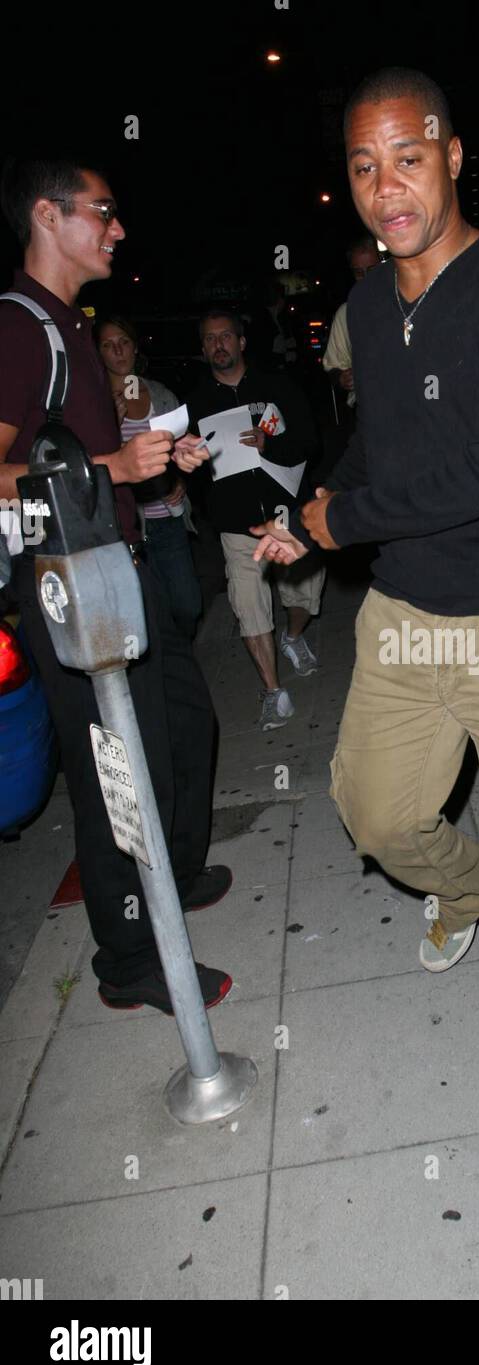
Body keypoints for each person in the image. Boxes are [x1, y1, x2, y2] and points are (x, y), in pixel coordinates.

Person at [249, 67, 479, 1110]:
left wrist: (341, 523)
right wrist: (316, 501)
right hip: (407, 615)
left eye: (408, 157)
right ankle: (465, 885)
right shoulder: (365, 298)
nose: (385, 185)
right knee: (374, 811)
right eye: (363, 165)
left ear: (451, 157)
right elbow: (379, 443)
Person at [0, 157, 232, 1014]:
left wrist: (152, 460)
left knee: (184, 725)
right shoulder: (19, 327)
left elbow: (77, 460)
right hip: (70, 594)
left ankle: (167, 875)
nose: (118, 228)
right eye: (104, 212)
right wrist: (112, 463)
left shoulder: (71, 324)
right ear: (49, 216)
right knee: (115, 779)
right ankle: (131, 958)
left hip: (118, 572)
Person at [184, 309, 322, 730]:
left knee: (305, 595)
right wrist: (186, 473)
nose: (219, 344)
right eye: (210, 339)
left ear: (241, 342)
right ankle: (273, 691)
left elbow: (310, 442)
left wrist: (271, 442)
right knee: (249, 605)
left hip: (287, 516)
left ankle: (293, 637)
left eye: (226, 336)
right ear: (203, 348)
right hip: (236, 523)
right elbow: (183, 464)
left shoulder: (276, 385)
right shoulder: (196, 402)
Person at [96, 314, 202, 639]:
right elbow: (92, 464)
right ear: (98, 353)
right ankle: (169, 673)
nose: (118, 351)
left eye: (124, 342)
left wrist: (181, 481)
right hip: (126, 526)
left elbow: (183, 450)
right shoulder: (94, 404)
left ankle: (179, 658)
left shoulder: (159, 394)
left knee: (188, 606)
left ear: (135, 347)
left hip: (169, 518)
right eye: (108, 345)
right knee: (147, 613)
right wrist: (108, 425)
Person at [322, 235, 380, 409]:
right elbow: (333, 367)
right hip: (369, 407)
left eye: (372, 269)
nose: (366, 277)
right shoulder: (346, 313)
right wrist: (342, 378)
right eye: (359, 272)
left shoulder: (406, 302)